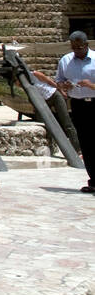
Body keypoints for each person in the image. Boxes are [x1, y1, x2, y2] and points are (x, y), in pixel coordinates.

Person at [54, 31, 95, 193]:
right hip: (79, 105)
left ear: (86, 45)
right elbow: (59, 81)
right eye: (74, 48)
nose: (77, 51)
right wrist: (64, 86)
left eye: (80, 47)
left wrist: (90, 85)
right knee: (86, 143)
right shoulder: (65, 61)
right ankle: (93, 180)